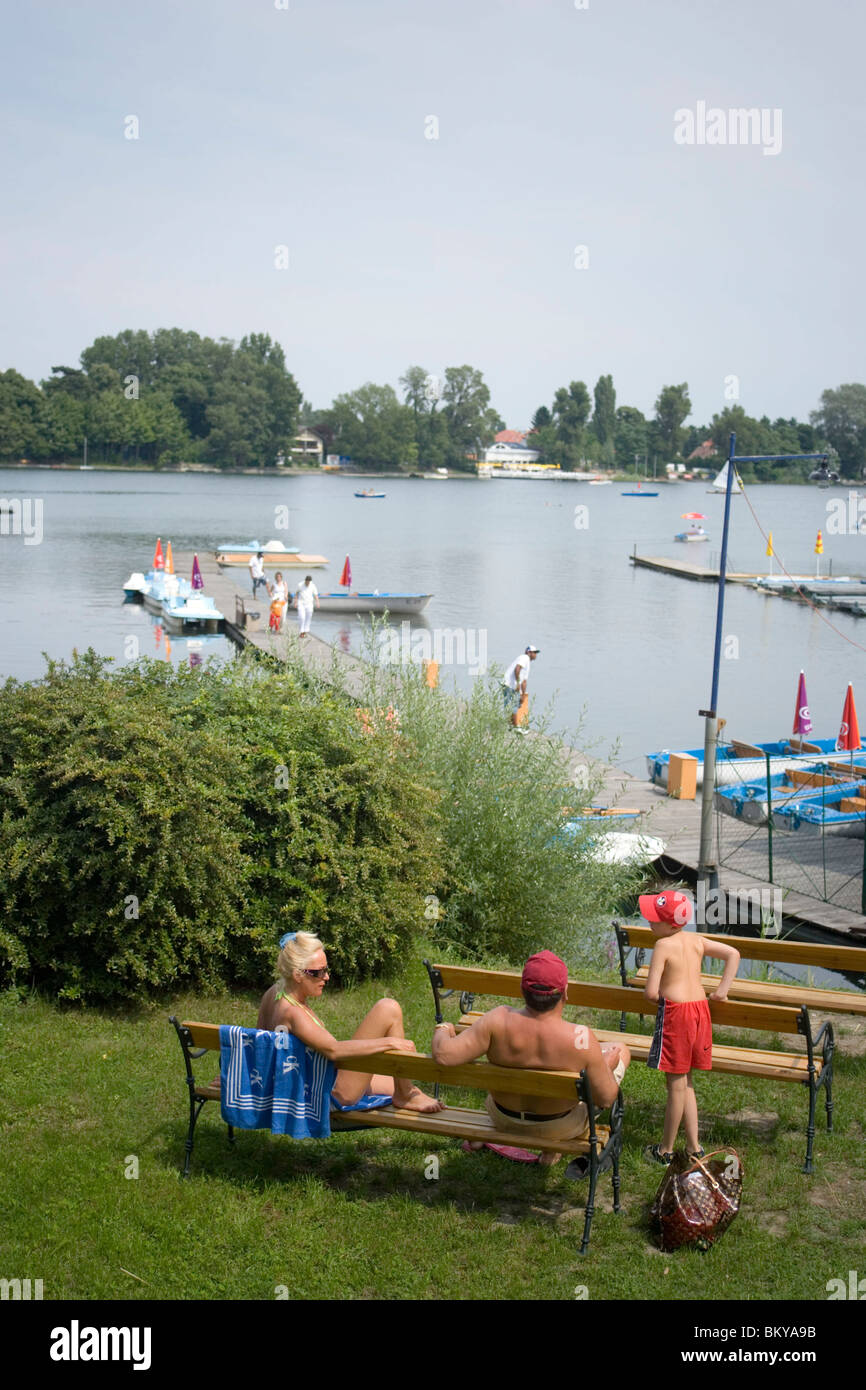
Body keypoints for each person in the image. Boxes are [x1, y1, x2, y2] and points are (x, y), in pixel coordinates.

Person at [432, 949, 629, 1165]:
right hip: (559, 1127)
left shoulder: (496, 1021)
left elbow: (444, 1055)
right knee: (620, 1050)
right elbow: (606, 1098)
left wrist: (443, 1028)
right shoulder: (582, 1038)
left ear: (522, 990)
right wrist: (606, 1065)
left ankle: (543, 1151)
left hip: (503, 1119)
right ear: (564, 993)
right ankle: (549, 1151)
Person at [257, 931, 443, 1113]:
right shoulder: (293, 1013)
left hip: (308, 1082)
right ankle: (406, 1094)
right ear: (297, 975)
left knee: (397, 1079)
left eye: (326, 969)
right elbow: (334, 1050)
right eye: (318, 972)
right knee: (388, 1009)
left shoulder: (274, 993)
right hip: (331, 1092)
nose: (326, 977)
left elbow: (262, 1044)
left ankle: (407, 1092)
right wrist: (390, 1042)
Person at [640, 889, 740, 1165]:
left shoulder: (662, 946)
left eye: (654, 918)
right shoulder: (696, 940)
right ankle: (694, 1147)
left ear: (670, 923)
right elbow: (733, 953)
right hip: (700, 1012)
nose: (649, 922)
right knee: (687, 1082)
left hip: (677, 1015)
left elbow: (650, 993)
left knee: (674, 1084)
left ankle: (665, 1150)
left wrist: (660, 998)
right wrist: (721, 991)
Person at [502, 645, 539, 723]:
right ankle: (514, 727)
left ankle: (510, 725)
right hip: (510, 684)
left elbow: (524, 681)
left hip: (512, 685)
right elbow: (517, 668)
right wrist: (518, 683)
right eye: (534, 652)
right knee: (512, 706)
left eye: (536, 653)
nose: (536, 654)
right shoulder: (524, 658)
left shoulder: (527, 662)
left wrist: (522, 694)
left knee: (513, 706)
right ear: (528, 652)